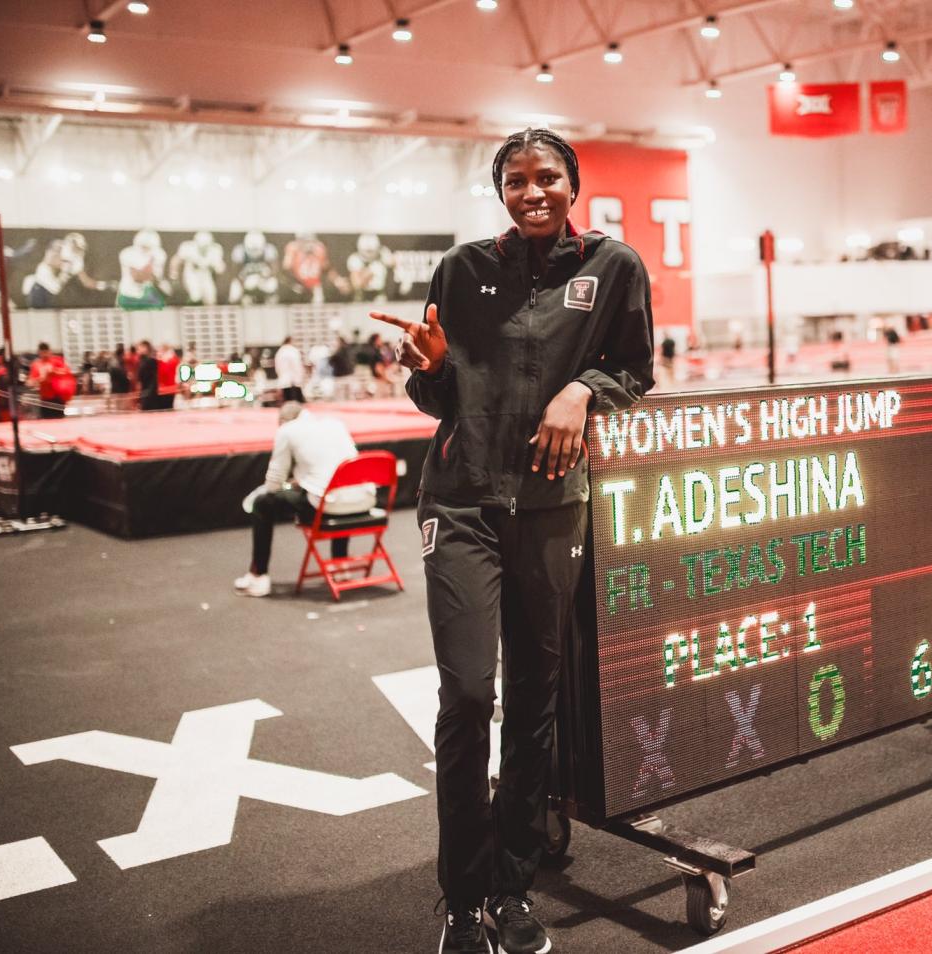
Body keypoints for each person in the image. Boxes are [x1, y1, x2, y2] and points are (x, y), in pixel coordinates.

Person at [370, 128, 654, 954]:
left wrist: (582, 390)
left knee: (536, 701)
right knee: (467, 697)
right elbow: (440, 400)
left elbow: (634, 369)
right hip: (459, 503)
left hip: (550, 505)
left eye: (548, 178)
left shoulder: (614, 267)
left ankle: (511, 888)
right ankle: (461, 899)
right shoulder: (461, 269)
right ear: (500, 189)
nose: (533, 192)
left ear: (573, 183)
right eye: (517, 181)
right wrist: (427, 370)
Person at [234, 402, 372, 597]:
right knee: (336, 489)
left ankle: (258, 575)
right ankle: (340, 566)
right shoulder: (335, 424)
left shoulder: (287, 430)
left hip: (329, 505)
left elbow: (274, 482)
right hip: (363, 500)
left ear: (282, 421)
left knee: (262, 503)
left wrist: (288, 485)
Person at [117, 230, 169, 310]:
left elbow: (156, 278)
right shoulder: (127, 254)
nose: (146, 249)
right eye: (143, 246)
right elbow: (138, 278)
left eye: (149, 247)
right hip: (129, 295)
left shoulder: (160, 254)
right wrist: (151, 264)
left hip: (148, 294)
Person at [170, 231, 226, 305]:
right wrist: (174, 274)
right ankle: (190, 312)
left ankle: (209, 315)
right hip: (191, 274)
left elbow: (220, 267)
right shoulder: (188, 247)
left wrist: (218, 268)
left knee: (211, 299)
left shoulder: (215, 249)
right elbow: (176, 260)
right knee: (195, 296)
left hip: (206, 275)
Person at [26, 342, 76, 418]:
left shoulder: (57, 361)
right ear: (39, 353)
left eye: (46, 352)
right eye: (42, 352)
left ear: (50, 351)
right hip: (45, 399)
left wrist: (54, 372)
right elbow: (30, 382)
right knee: (47, 423)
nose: (45, 354)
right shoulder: (36, 365)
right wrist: (41, 379)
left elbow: (67, 372)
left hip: (58, 397)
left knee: (60, 422)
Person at [274, 336, 306, 404]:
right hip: (293, 383)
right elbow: (297, 366)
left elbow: (277, 368)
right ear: (290, 341)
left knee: (287, 403)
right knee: (296, 404)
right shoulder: (293, 351)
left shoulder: (280, 352)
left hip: (284, 382)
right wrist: (300, 378)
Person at [135, 341, 160, 411]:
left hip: (149, 393)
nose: (138, 350)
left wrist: (148, 393)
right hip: (145, 392)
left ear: (145, 348)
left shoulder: (150, 361)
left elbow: (153, 379)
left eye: (140, 348)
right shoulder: (142, 361)